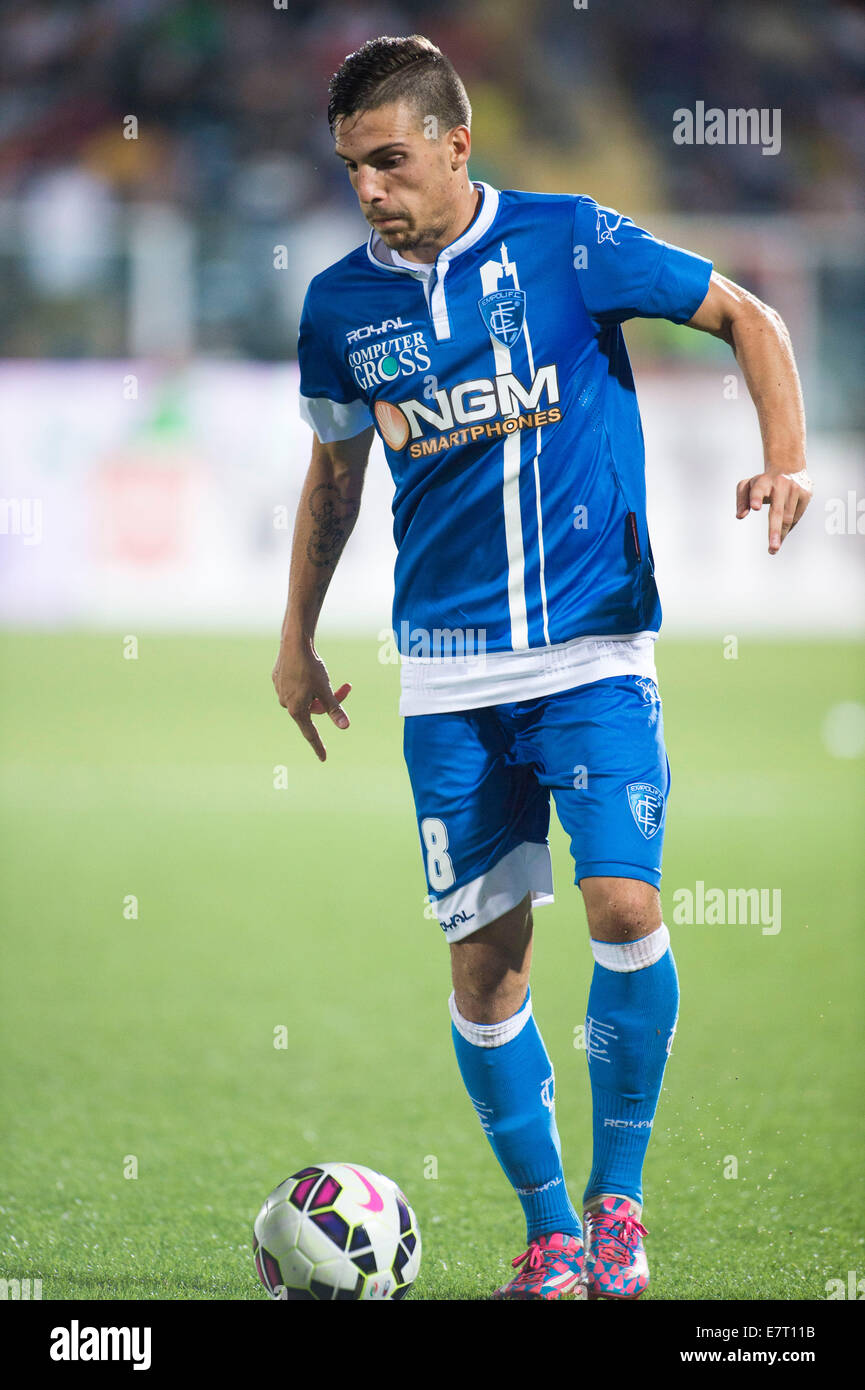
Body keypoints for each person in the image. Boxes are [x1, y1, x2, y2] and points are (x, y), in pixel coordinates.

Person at [272, 34, 811, 1300]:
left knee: (624, 907)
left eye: (390, 160)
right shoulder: (339, 307)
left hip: (595, 645)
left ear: (457, 145)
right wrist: (295, 642)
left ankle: (618, 1210)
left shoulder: (570, 241)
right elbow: (336, 477)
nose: (369, 189)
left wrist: (785, 455)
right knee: (485, 965)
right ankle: (553, 1237)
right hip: (448, 673)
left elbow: (746, 313)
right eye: (352, 166)